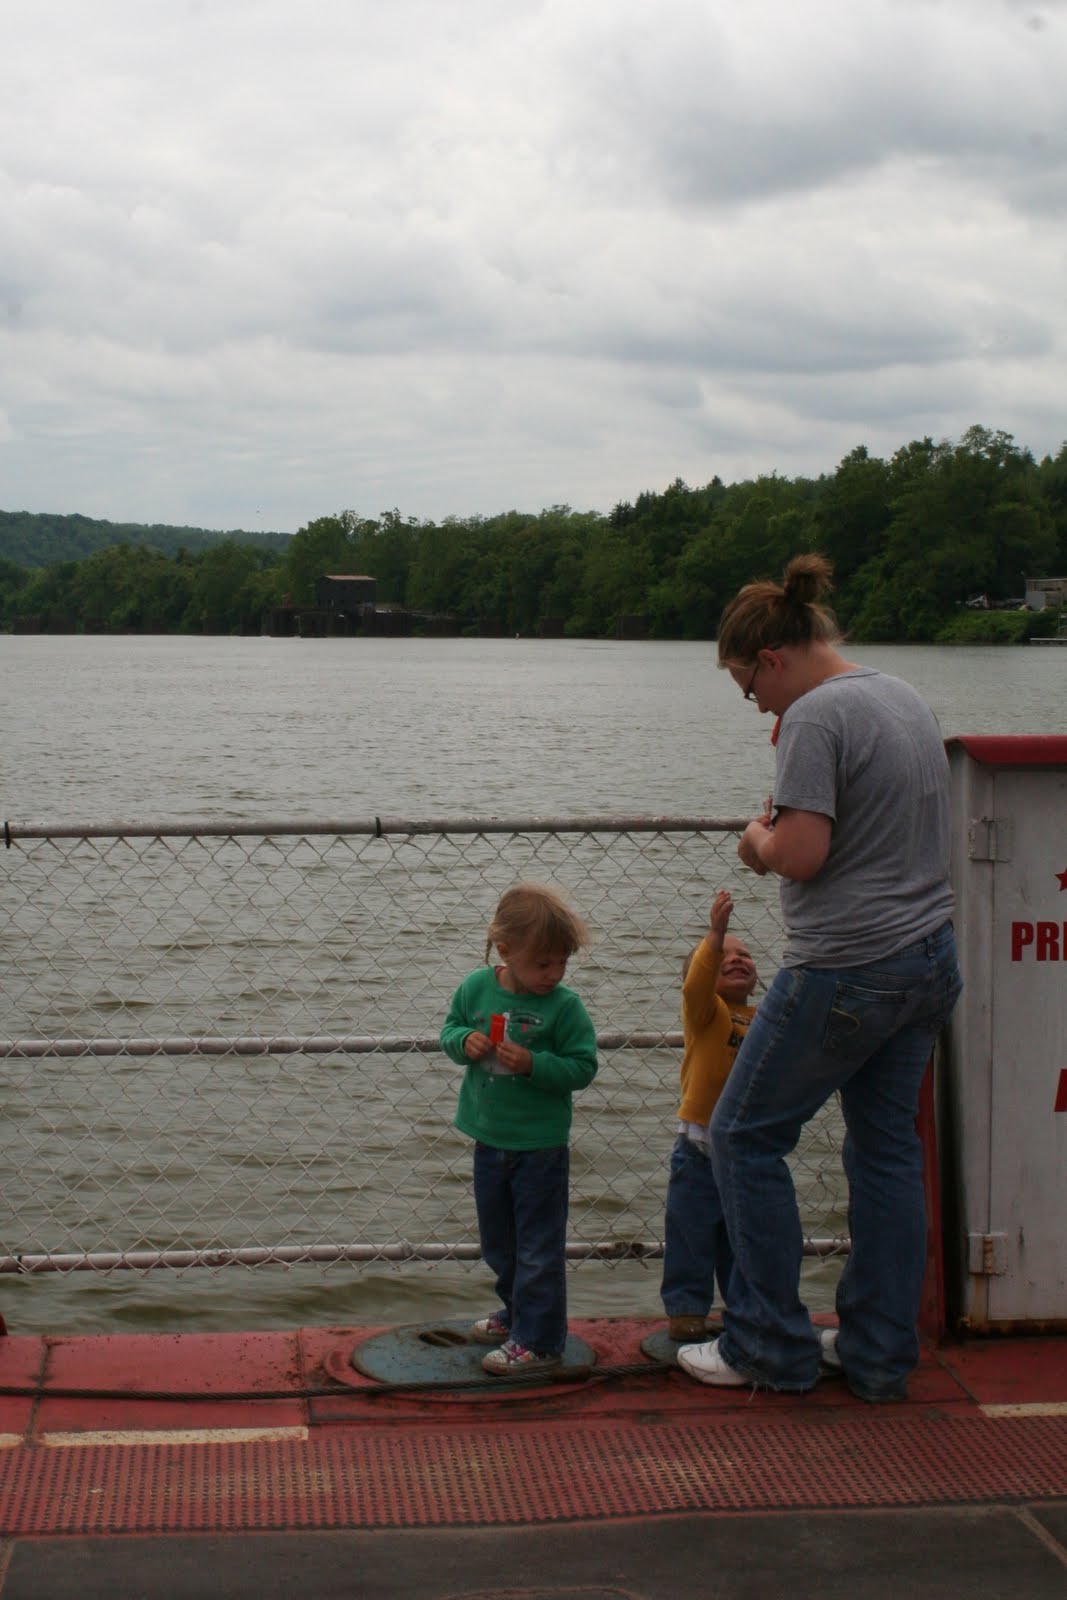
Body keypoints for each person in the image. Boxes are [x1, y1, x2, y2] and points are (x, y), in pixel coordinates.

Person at [678, 552, 962, 1401]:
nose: (753, 704)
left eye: (746, 685)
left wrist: (751, 843)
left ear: (772, 658)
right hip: (926, 959)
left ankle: (769, 1346)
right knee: (884, 1154)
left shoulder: (812, 716)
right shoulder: (898, 695)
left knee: (740, 1138)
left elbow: (800, 854)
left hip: (844, 969)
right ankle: (876, 1354)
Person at [439, 882, 598, 1376]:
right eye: (542, 964)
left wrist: (534, 1063)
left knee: (538, 1247)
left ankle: (542, 1338)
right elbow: (448, 1030)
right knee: (499, 1241)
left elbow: (582, 1068)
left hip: (540, 1146)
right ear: (505, 950)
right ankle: (517, 1314)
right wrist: (463, 1040)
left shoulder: (565, 1007)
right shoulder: (475, 989)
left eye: (561, 963)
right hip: (490, 1139)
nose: (554, 974)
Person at [661, 889, 758, 1342]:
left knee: (743, 1242)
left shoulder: (764, 1018)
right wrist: (714, 936)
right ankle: (687, 1309)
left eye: (746, 955)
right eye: (726, 957)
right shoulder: (706, 1014)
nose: (737, 959)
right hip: (698, 1152)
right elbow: (695, 985)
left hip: (746, 1153)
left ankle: (744, 1310)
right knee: (690, 1234)